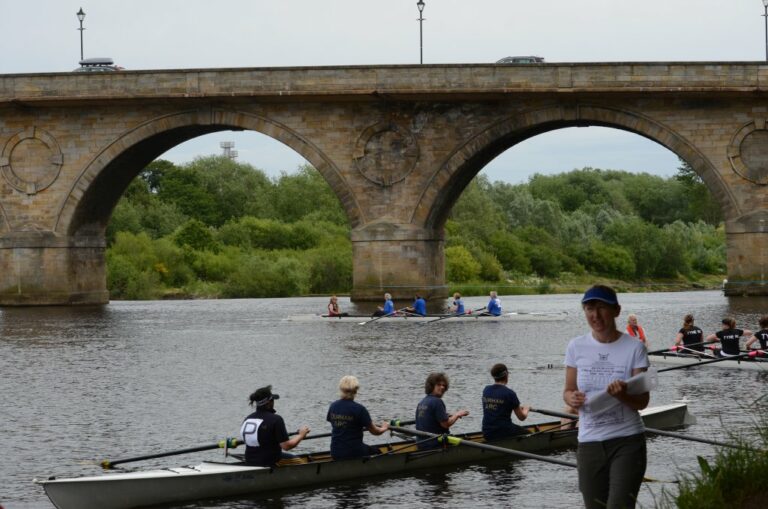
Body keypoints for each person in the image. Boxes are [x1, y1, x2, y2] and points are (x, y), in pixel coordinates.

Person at [563, 285, 650, 509]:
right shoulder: (576, 346)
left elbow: (643, 402)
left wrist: (623, 396)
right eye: (589, 309)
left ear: (616, 310)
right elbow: (568, 390)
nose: (595, 315)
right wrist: (571, 399)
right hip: (589, 442)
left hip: (627, 440)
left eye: (601, 308)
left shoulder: (635, 348)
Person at [240, 385, 310, 467]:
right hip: (272, 461)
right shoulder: (276, 419)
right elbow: (286, 446)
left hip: (249, 460)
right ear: (269, 402)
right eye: (273, 400)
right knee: (302, 463)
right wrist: (301, 435)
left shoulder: (247, 419)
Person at [326, 375, 390, 460]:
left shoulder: (333, 406)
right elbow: (375, 432)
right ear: (356, 391)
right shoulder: (359, 409)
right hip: (354, 452)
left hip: (335, 452)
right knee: (377, 451)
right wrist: (384, 428)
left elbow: (337, 424)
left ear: (341, 389)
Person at [415, 372, 469, 450]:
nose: (442, 387)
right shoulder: (437, 402)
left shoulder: (422, 402)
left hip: (421, 444)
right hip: (435, 445)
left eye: (444, 385)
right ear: (431, 386)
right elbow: (446, 424)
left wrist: (447, 415)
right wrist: (457, 414)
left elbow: (431, 418)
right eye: (439, 385)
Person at [481, 363, 529, 441]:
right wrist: (527, 409)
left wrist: (514, 406)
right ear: (506, 375)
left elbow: (500, 405)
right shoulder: (510, 393)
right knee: (529, 434)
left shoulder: (486, 390)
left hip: (487, 432)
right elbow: (522, 417)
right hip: (503, 432)